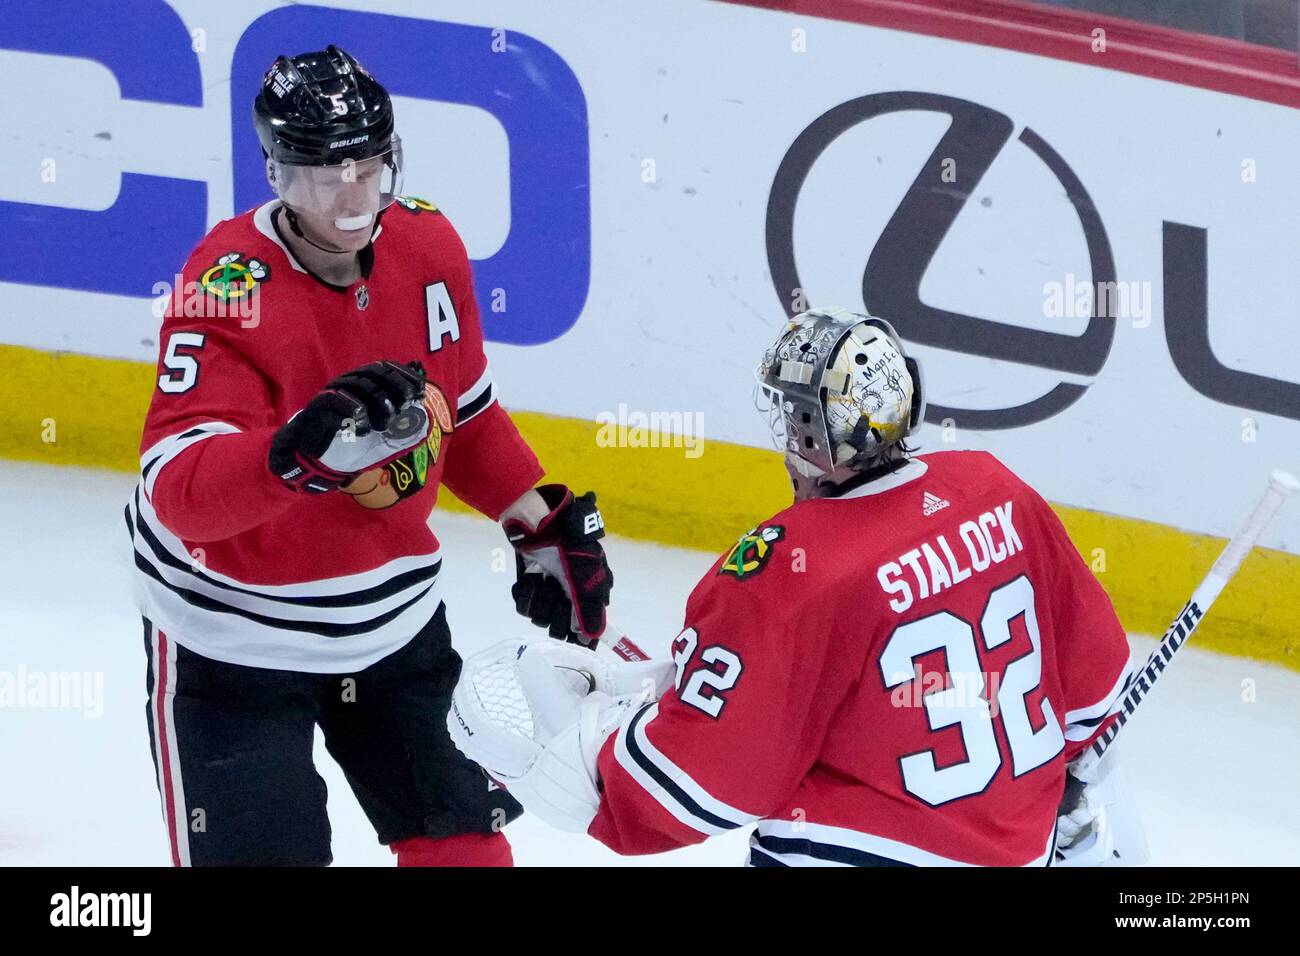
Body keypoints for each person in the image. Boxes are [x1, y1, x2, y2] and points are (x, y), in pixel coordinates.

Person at [127, 45, 613, 867]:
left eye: (367, 166)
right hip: (232, 637)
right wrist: (294, 457)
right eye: (324, 173)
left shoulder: (429, 247)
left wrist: (531, 517)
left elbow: (465, 410)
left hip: (392, 625)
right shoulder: (226, 285)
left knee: (467, 850)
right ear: (278, 174)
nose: (352, 194)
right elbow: (178, 491)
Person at [449, 306, 1145, 866]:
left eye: (793, 414)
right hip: (1031, 848)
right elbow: (1093, 692)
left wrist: (600, 778)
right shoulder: (996, 490)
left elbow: (697, 784)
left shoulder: (789, 568)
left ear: (816, 432)